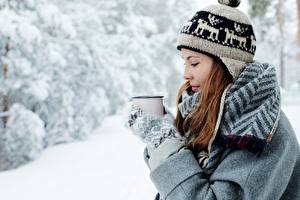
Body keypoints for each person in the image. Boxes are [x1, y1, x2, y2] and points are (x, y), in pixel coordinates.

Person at [126, 0, 300, 199]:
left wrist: (165, 145)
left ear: (227, 65)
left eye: (194, 62)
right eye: (185, 62)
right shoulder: (211, 113)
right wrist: (164, 133)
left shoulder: (258, 132)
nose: (186, 74)